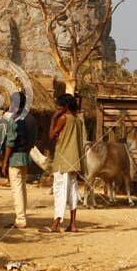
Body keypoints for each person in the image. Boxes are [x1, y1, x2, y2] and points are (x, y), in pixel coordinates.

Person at [41, 93, 86, 233]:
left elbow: (51, 135)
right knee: (72, 191)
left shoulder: (63, 118)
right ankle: (72, 224)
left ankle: (55, 225)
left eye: (60, 105)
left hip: (63, 160)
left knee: (60, 191)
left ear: (66, 106)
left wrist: (53, 118)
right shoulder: (78, 121)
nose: (58, 108)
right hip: (74, 160)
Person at [0, 101, 36, 228]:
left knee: (17, 190)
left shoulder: (14, 119)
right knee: (22, 188)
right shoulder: (31, 119)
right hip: (25, 156)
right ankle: (22, 216)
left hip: (15, 158)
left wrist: (4, 161)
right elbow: (34, 139)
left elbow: (10, 142)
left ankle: (20, 219)